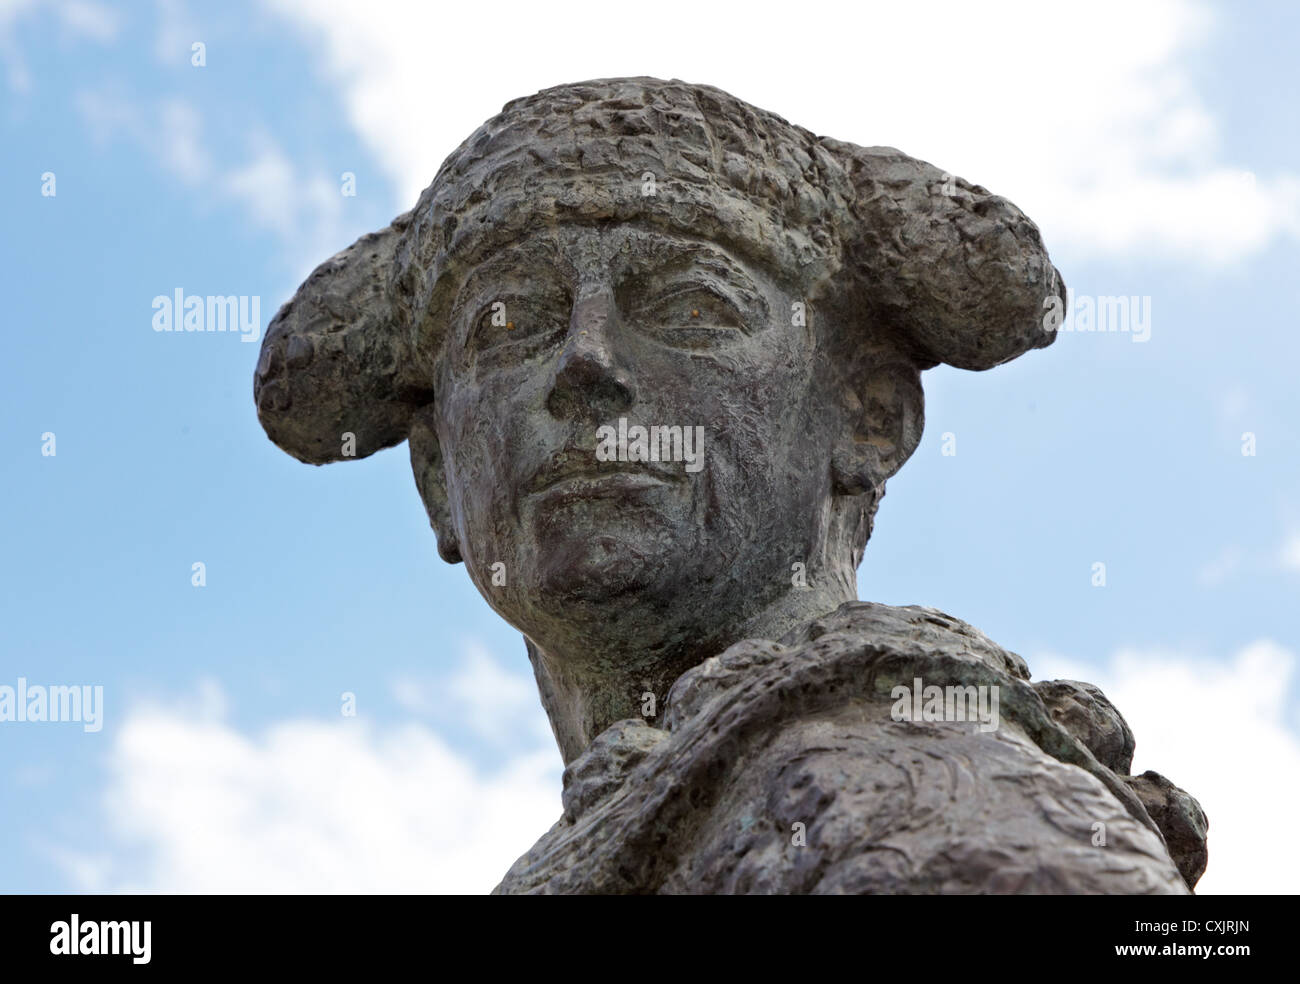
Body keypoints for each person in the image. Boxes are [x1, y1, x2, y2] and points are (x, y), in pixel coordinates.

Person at [254, 77, 1206, 894]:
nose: (583, 365)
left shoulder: (904, 779)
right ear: (436, 480)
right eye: (507, 326)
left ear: (867, 419)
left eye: (692, 306)